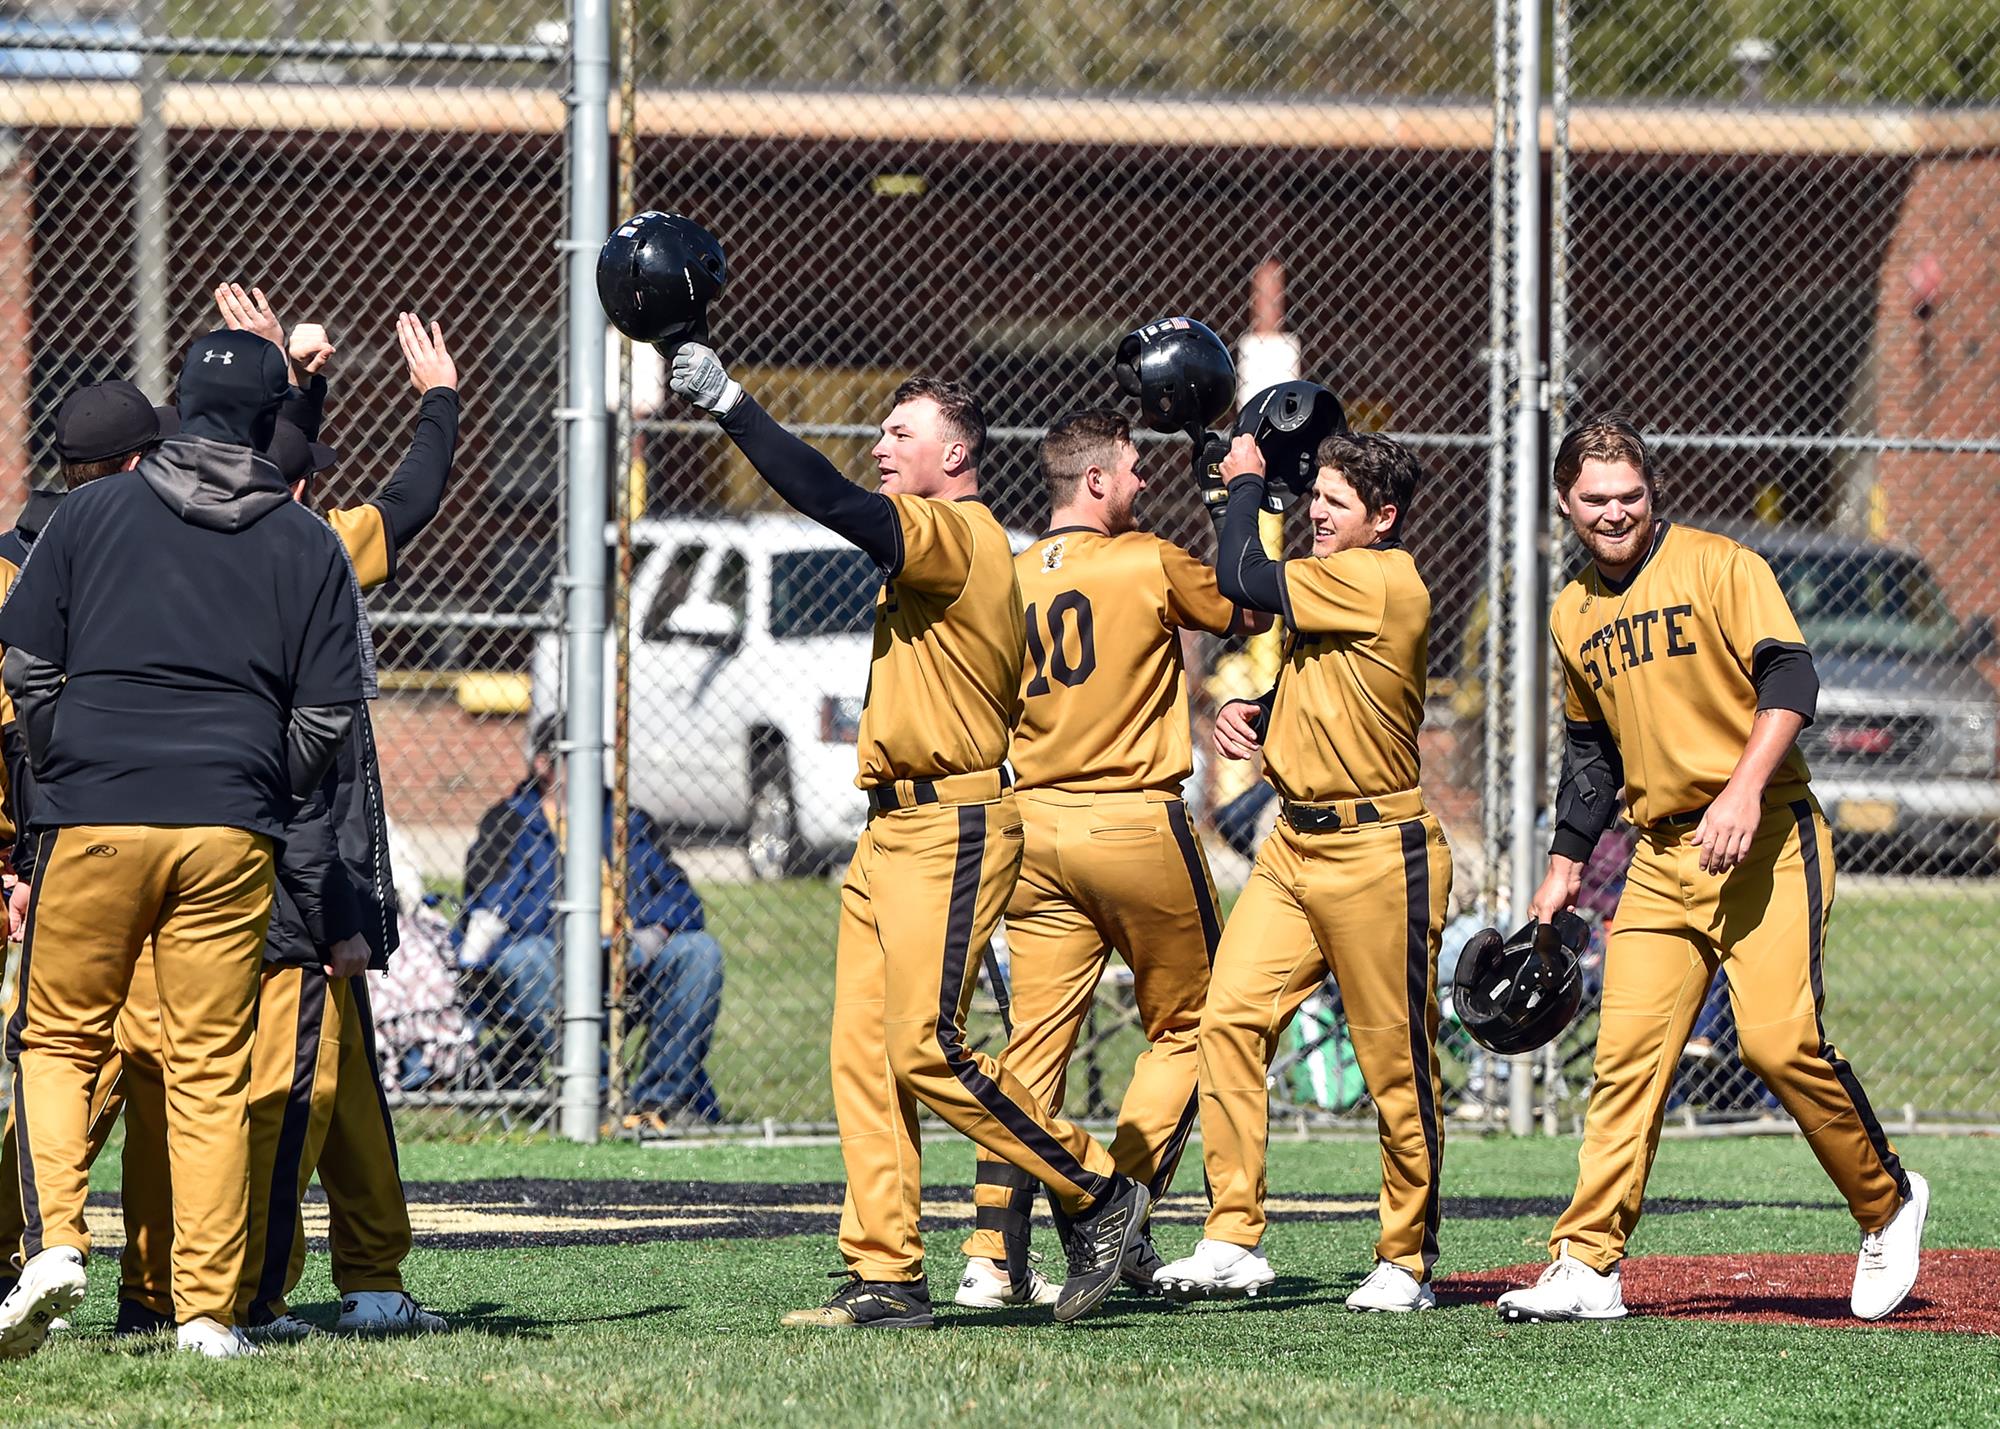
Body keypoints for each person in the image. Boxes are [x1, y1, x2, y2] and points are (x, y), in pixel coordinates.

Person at [668, 343, 1148, 1328]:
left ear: (957, 454)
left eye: (901, 432)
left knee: (927, 1047)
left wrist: (730, 404)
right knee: (864, 1053)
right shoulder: (937, 531)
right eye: (881, 429)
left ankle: (1098, 1187)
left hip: (956, 820)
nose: (880, 443)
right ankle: (886, 1270)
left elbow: (831, 501)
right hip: (890, 829)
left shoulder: (961, 533)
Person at [1495, 417, 1927, 1324]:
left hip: (1765, 831)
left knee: (1777, 1044)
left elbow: (1792, 679)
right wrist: (1564, 864)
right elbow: (1590, 752)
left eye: (1631, 495)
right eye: (1596, 499)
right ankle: (1587, 1262)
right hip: (1658, 856)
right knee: (1627, 1060)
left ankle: (1887, 1203)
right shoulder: (1573, 607)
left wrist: (1739, 790)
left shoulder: (1720, 565)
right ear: (1566, 505)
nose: (1616, 513)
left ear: (1653, 493)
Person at [0, 327, 365, 1359]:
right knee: (210, 1067)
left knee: (62, 1038)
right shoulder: (306, 542)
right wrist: (256, 776)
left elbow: (25, 657)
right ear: (266, 422)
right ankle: (206, 1315)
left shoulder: (94, 509)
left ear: (176, 413)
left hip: (95, 815)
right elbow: (329, 716)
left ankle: (56, 1246)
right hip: (229, 828)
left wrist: (68, 757)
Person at [107, 291, 462, 1340]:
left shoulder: (138, 536)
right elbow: (411, 493)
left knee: (333, 1088)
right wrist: (434, 401)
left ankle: (368, 1277)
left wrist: (293, 378)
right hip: (275, 860)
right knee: (277, 1092)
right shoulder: (299, 543)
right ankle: (242, 1297)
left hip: (179, 843)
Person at [954, 408, 1262, 1309]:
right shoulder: (1146, 557)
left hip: (1034, 823)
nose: (1140, 479)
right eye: (1130, 468)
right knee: (1199, 1019)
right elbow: (1248, 599)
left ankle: (988, 1257)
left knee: (1027, 1056)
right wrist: (1239, 487)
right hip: (1131, 817)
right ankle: (1111, 1207)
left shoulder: (1006, 575)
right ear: (1093, 480)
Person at [1154, 431, 1453, 1314]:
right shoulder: (1339, 581)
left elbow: (1244, 576)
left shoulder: (1383, 575)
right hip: (1294, 847)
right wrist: (1262, 708)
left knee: (1394, 1063)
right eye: (1314, 494)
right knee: (1229, 1020)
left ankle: (1407, 1257)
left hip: (1378, 848)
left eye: (1335, 502)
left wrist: (1246, 486)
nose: (1316, 511)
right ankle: (1231, 1235)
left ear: (1384, 519)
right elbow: (1335, 680)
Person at [459, 715, 725, 1126]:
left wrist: (650, 934)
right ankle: (598, 1099)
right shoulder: (509, 823)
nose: (590, 770)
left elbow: (681, 899)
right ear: (544, 765)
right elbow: (490, 905)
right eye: (575, 759)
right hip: (552, 965)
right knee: (523, 958)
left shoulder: (626, 820)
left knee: (699, 952)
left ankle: (659, 1103)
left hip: (626, 965)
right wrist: (568, 934)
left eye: (594, 758)